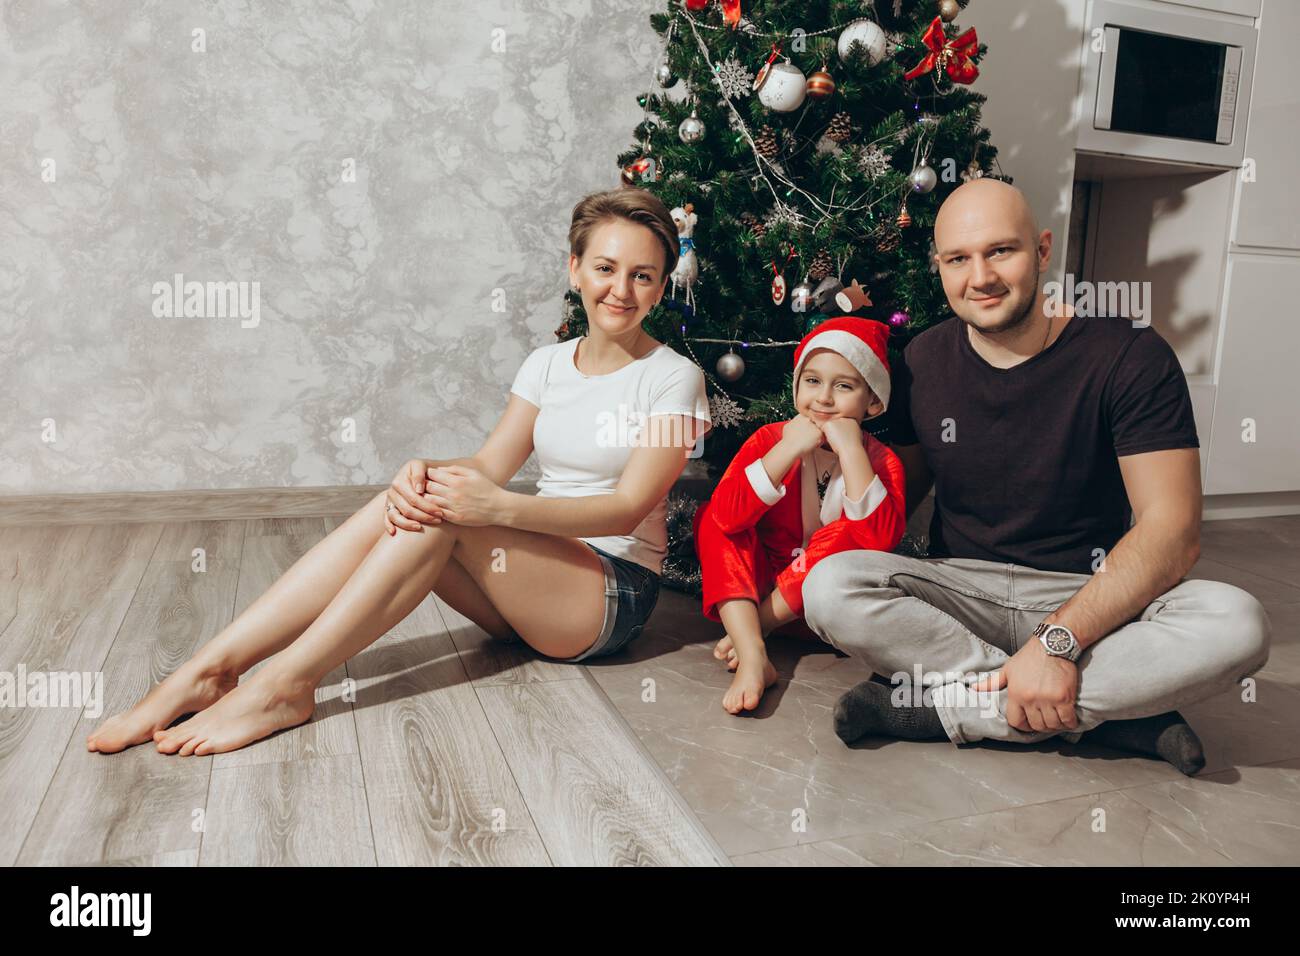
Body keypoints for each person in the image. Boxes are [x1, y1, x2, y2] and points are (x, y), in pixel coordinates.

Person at [86, 187, 711, 756]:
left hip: (608, 595)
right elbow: (492, 465)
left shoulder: (672, 379)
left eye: (642, 276)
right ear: (574, 269)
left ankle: (284, 685)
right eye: (605, 268)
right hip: (527, 581)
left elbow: (627, 506)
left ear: (660, 288)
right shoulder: (547, 364)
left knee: (444, 514)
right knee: (411, 497)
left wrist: (492, 509)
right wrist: (426, 470)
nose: (620, 290)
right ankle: (210, 669)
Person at [800, 178, 1270, 776]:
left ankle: (953, 709)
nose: (981, 277)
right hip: (963, 589)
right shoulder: (922, 359)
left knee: (1238, 621)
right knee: (831, 586)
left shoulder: (1130, 354)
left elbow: (1173, 531)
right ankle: (1114, 709)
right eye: (958, 259)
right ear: (939, 267)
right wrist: (766, 614)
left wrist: (1057, 643)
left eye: (1001, 251)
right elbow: (891, 506)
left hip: (1092, 596)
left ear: (1043, 250)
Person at [693, 318, 906, 714]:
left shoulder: (882, 461)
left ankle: (754, 628)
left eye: (843, 386)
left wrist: (852, 452)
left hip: (823, 614)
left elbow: (878, 541)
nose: (824, 398)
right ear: (797, 387)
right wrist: (786, 451)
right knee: (713, 517)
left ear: (872, 401)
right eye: (812, 381)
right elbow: (726, 516)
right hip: (754, 587)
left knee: (848, 537)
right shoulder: (770, 440)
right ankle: (753, 652)